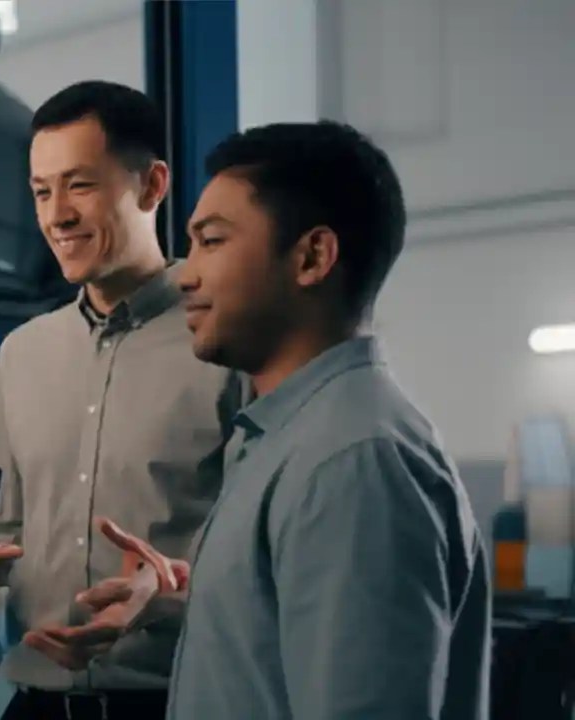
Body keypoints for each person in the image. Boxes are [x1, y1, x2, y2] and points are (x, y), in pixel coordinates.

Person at [72, 120, 493, 719]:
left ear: (312, 257)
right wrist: (177, 597)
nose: (186, 274)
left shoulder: (352, 461)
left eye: (212, 242)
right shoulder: (291, 436)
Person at [0, 80, 242, 720]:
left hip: (176, 702)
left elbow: (263, 546)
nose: (56, 214)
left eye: (80, 185)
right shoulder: (23, 352)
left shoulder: (225, 339)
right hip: (35, 705)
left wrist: (174, 595)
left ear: (151, 187)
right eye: (42, 191)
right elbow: (1, 524)